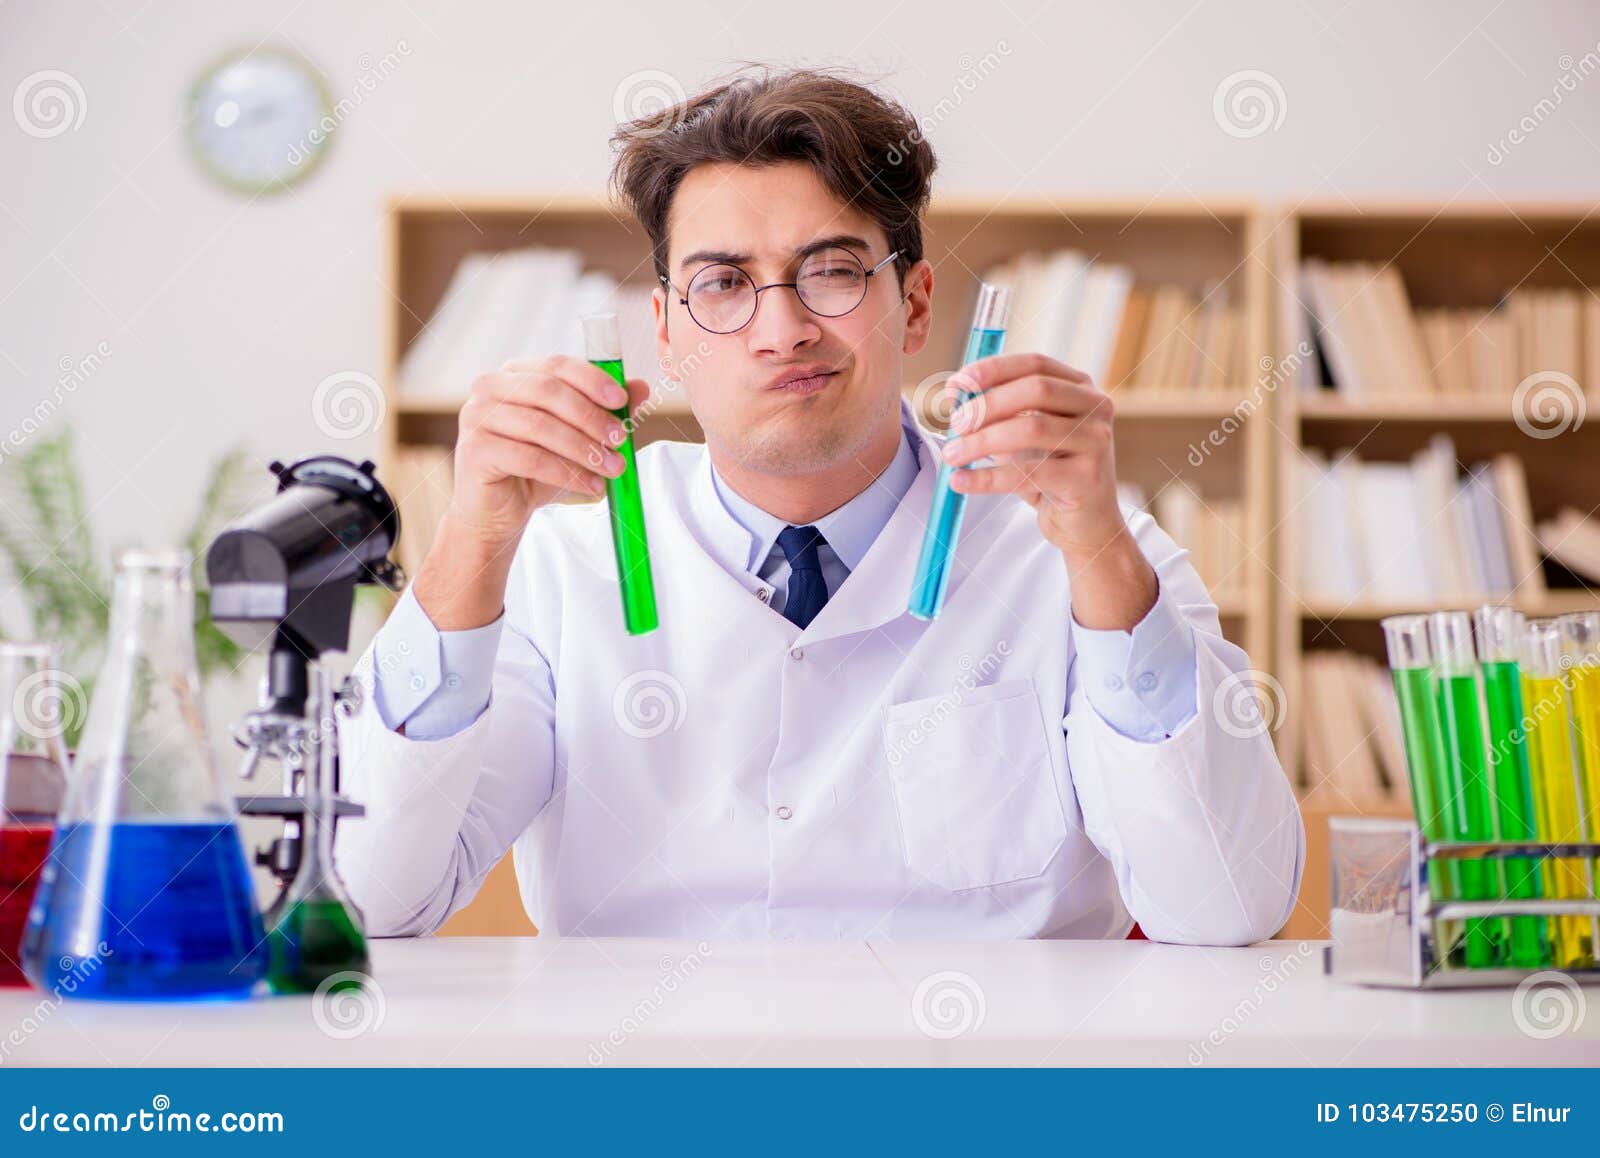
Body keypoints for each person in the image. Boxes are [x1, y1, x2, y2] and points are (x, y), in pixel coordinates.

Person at [334, 67, 1304, 944]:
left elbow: (1226, 908)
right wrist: (472, 539)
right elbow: (374, 899)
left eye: (833, 273)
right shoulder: (562, 560)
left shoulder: (1085, 550)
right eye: (723, 284)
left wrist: (1096, 555)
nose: (781, 330)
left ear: (916, 304)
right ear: (666, 332)